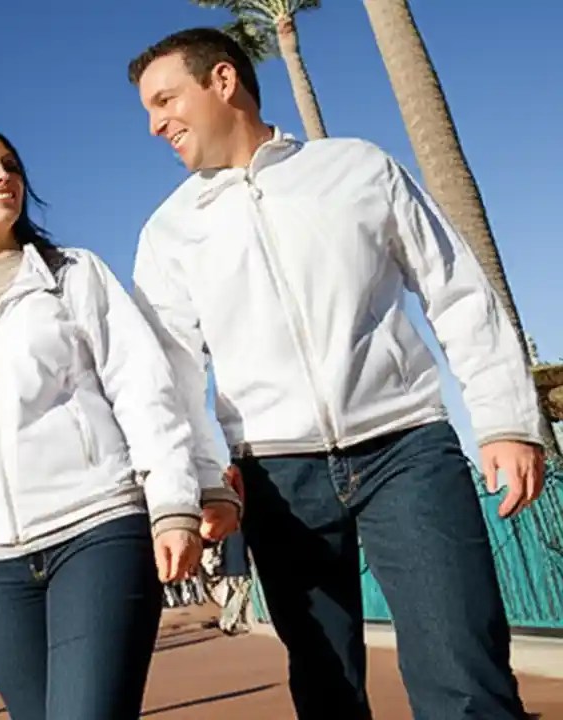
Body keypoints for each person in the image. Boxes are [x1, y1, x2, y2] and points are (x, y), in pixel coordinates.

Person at [128, 27, 546, 720]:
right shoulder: (168, 232)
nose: (155, 124)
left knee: (466, 675)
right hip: (276, 478)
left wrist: (504, 418)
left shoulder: (356, 168)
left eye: (165, 99)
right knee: (326, 693)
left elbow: (454, 287)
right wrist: (203, 480)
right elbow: (169, 380)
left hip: (406, 451)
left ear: (223, 82)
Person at [0, 118, 241, 720]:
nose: (3, 176)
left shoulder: (71, 274)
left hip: (96, 529)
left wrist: (173, 503)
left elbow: (142, 388)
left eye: (11, 165)